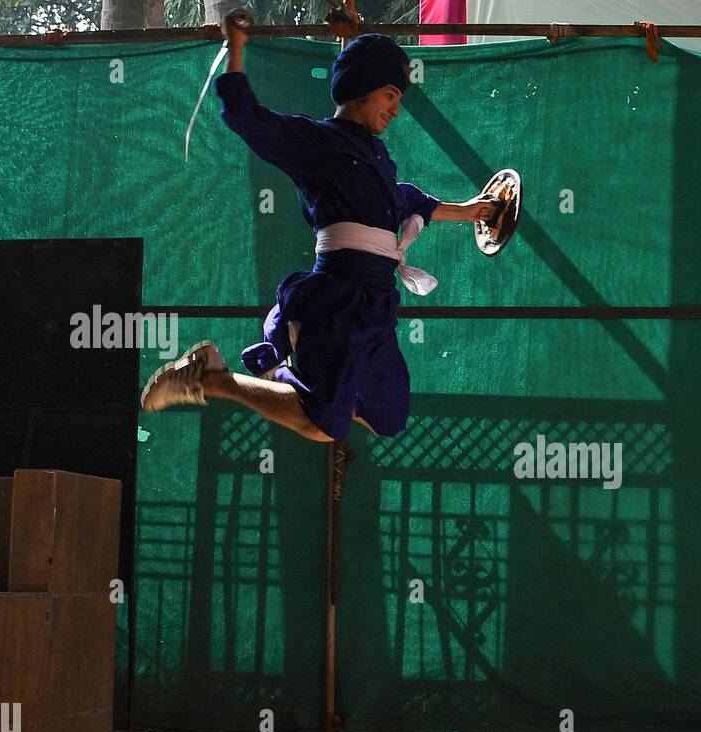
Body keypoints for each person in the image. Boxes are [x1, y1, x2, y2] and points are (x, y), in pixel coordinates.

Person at [141, 26, 497, 442]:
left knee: (385, 412)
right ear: (362, 88)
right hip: (340, 297)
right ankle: (216, 379)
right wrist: (235, 48)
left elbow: (405, 201)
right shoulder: (316, 142)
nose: (396, 110)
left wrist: (471, 211)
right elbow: (246, 117)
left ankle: (271, 376)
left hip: (376, 304)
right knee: (321, 423)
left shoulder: (378, 160)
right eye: (390, 95)